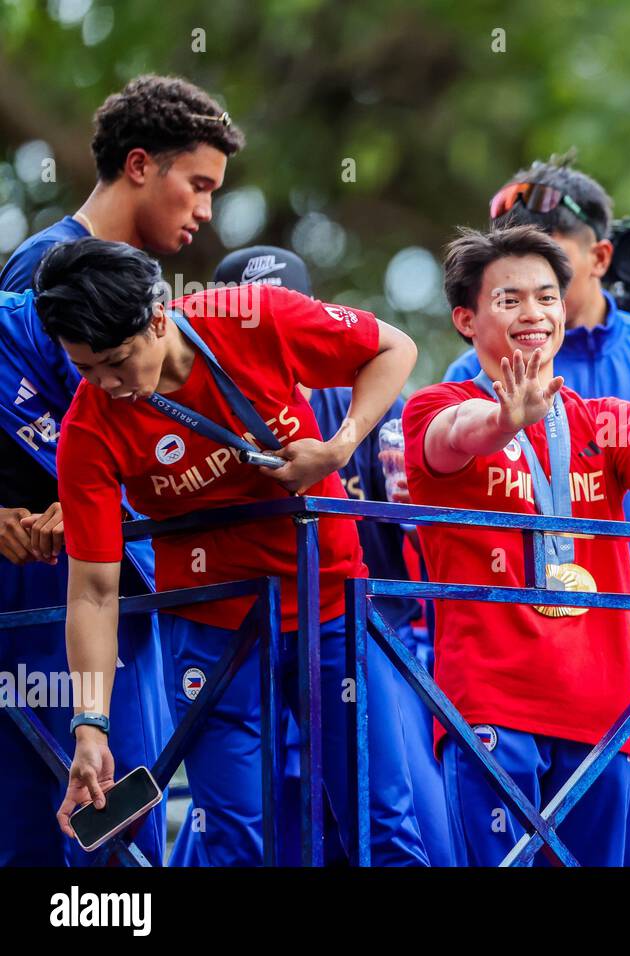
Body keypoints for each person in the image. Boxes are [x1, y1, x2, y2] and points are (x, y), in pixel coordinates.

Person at [36, 237, 427, 866]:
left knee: (381, 821)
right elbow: (92, 590)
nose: (107, 384)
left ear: (158, 317)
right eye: (86, 369)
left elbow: (392, 346)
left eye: (117, 360)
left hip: (329, 608)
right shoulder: (88, 429)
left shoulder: (252, 316)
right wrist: (90, 724)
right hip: (212, 635)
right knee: (235, 840)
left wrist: (339, 446)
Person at [405, 225, 630, 866]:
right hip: (490, 704)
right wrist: (503, 420)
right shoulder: (437, 404)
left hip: (603, 711)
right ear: (466, 319)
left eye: (546, 297)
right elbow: (451, 439)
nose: (534, 313)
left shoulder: (600, 416)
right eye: (509, 300)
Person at [0, 74, 243, 866]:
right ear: (140, 165)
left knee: (125, 802)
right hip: (58, 601)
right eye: (198, 184)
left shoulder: (138, 291)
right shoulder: (46, 277)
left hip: (131, 594)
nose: (206, 210)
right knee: (94, 813)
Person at [208, 245, 454, 866]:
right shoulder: (197, 409)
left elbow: (420, 544)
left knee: (409, 826)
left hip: (362, 632)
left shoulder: (375, 406)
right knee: (237, 831)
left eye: (298, 304)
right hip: (243, 639)